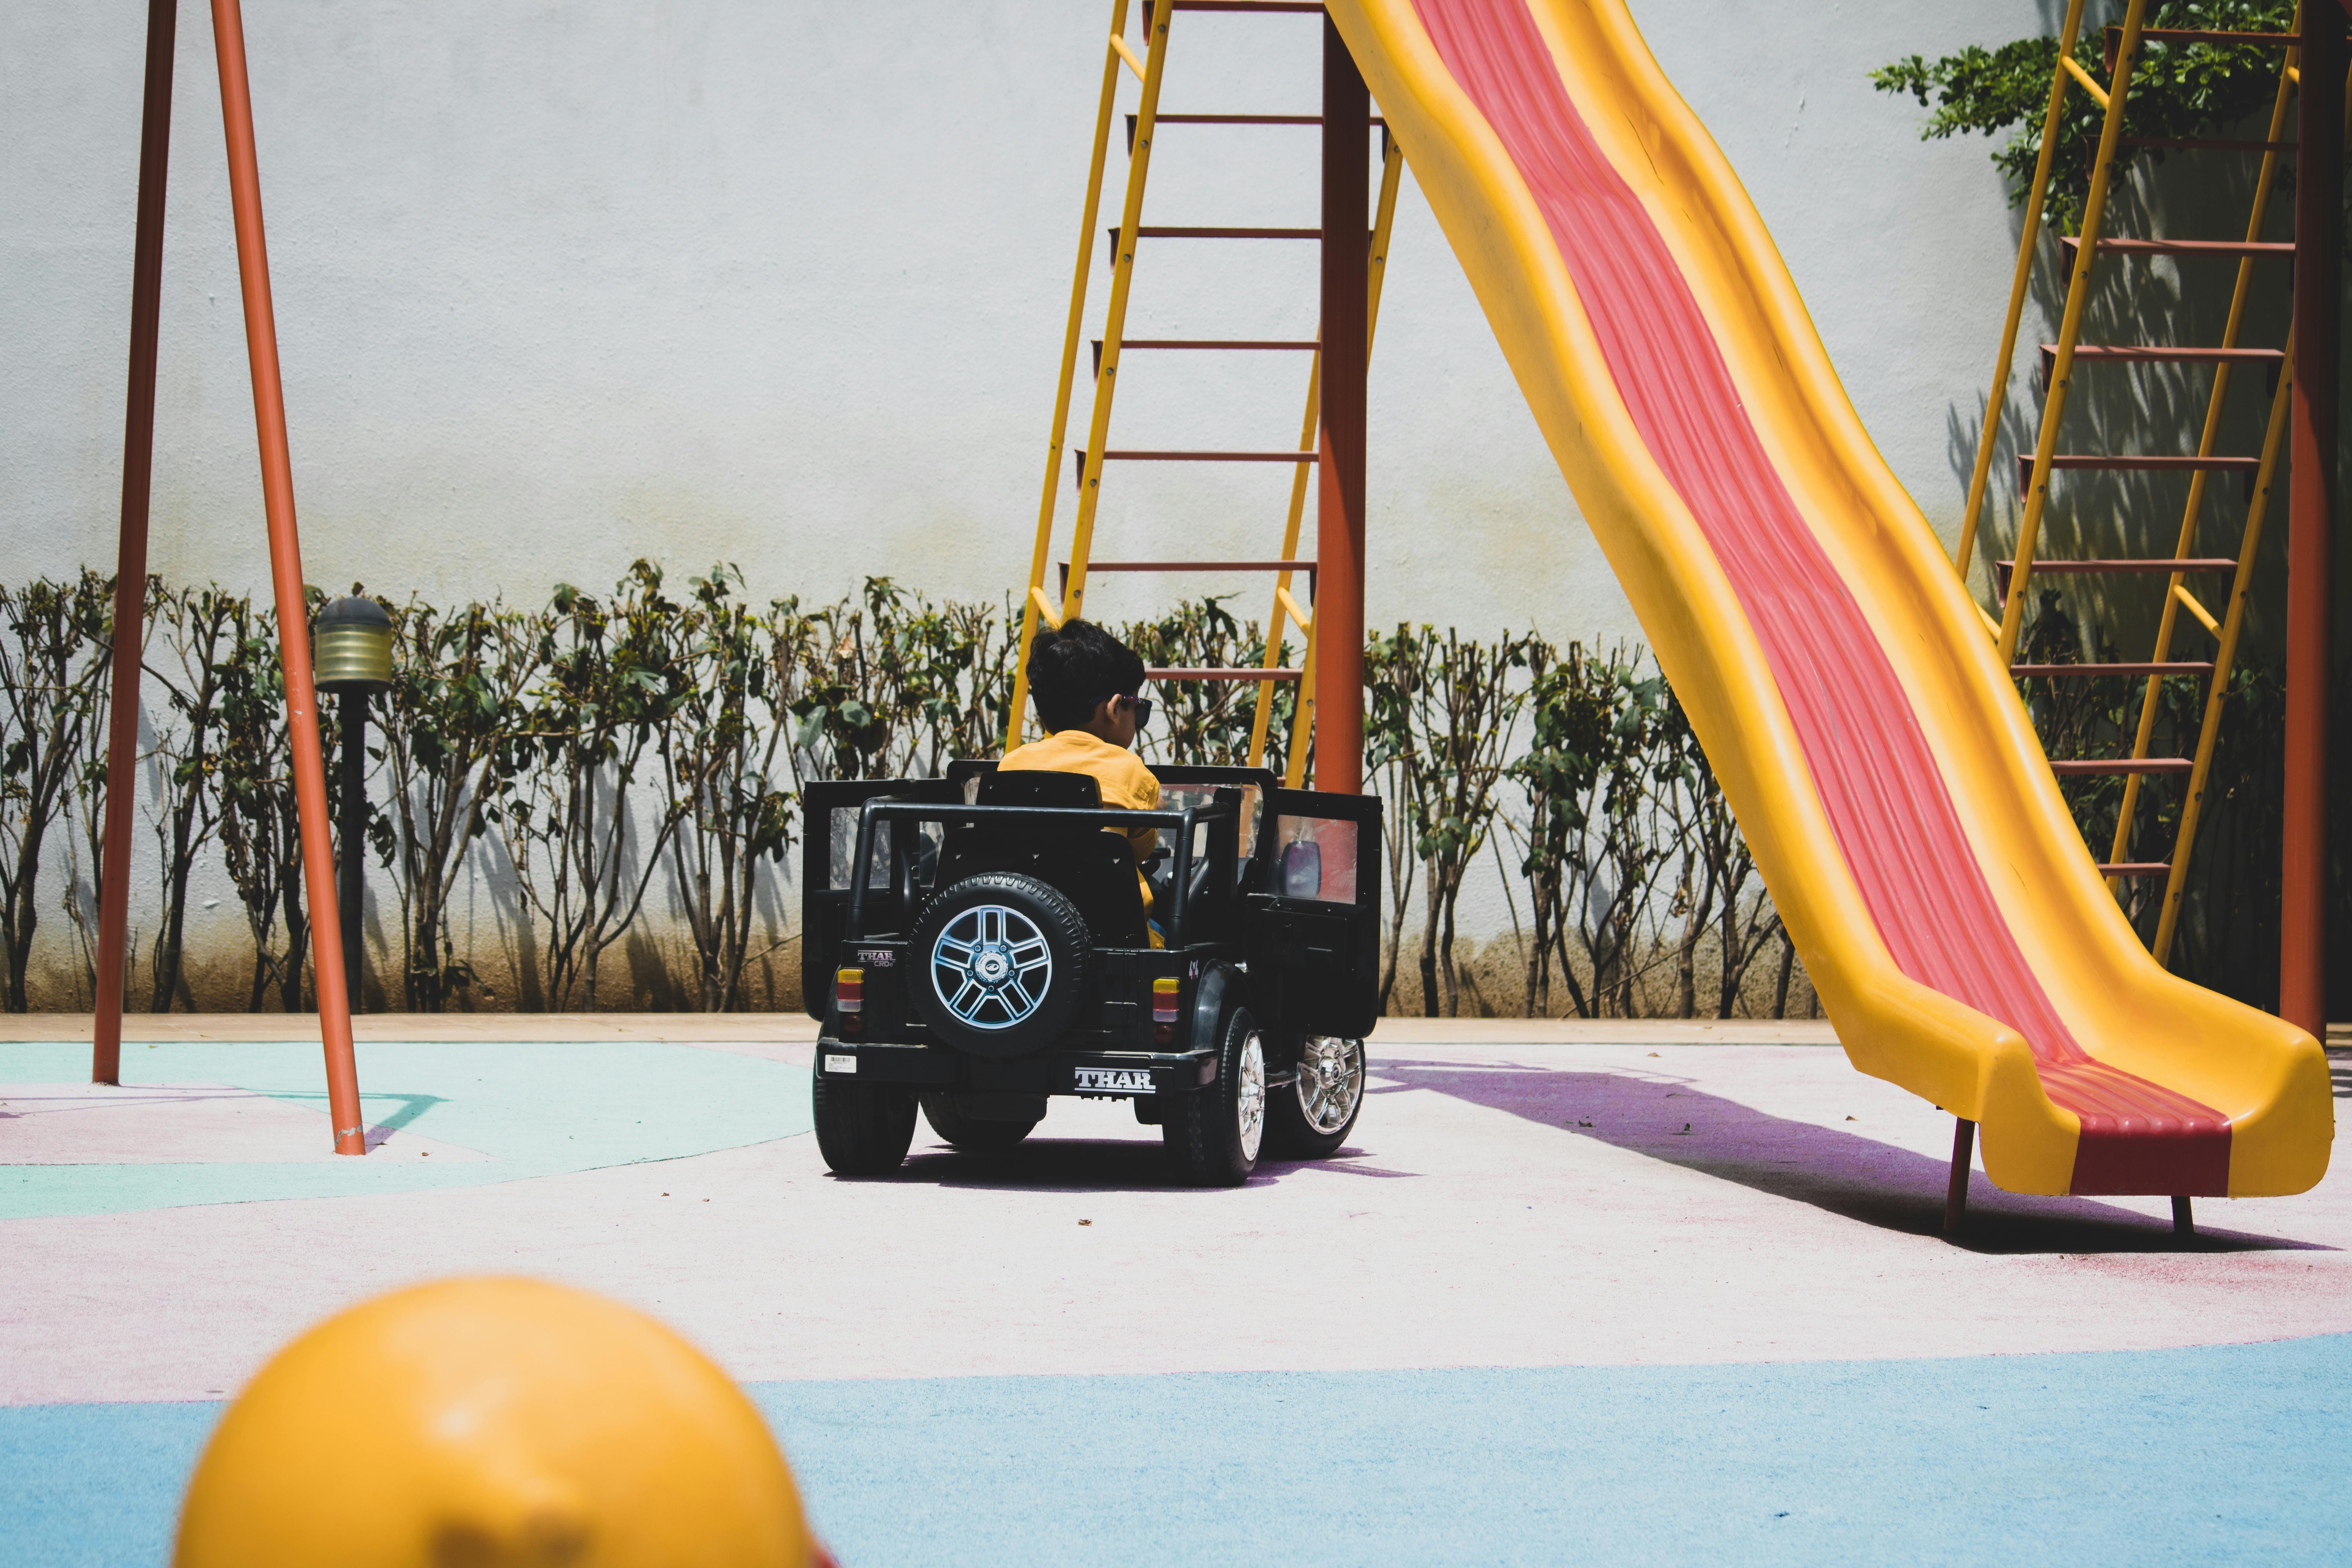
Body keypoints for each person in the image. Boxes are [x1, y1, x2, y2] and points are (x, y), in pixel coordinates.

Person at [1001, 618, 1163, 940]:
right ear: (1116, 709)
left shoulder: (1011, 765)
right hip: (1114, 932)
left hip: (1021, 931)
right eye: (1139, 709)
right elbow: (1142, 850)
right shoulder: (1130, 771)